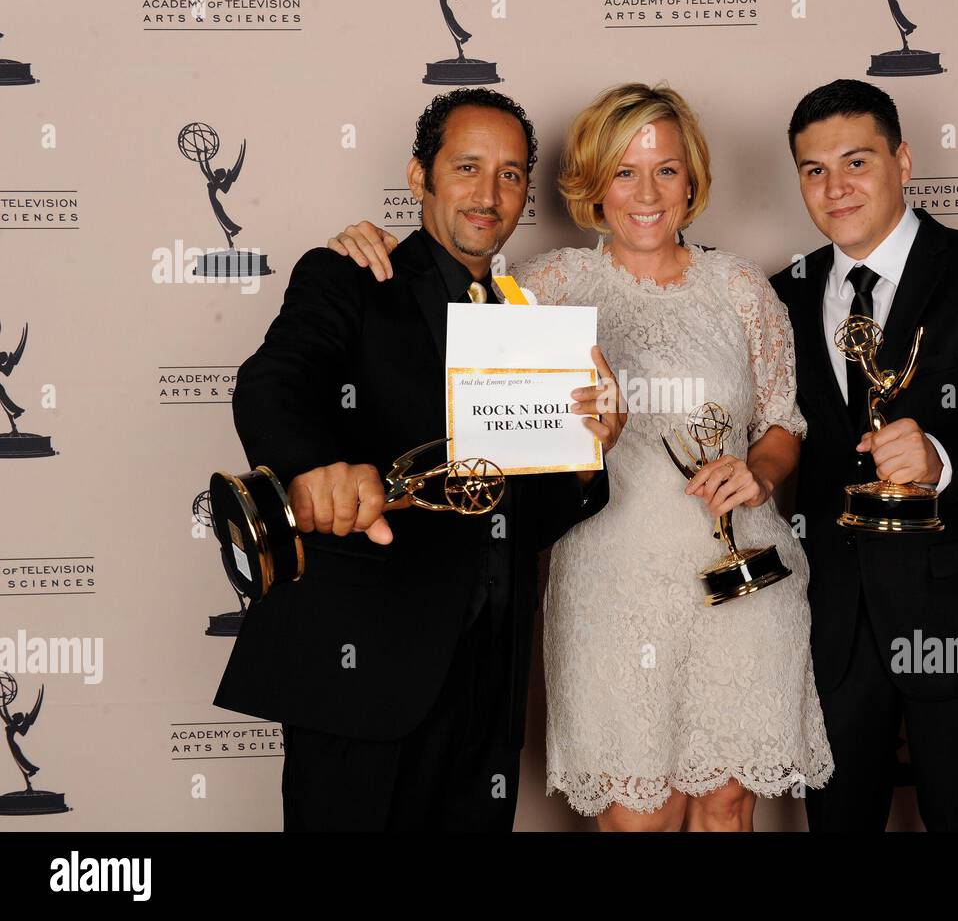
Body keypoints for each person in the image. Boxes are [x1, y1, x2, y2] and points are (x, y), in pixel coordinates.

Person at [330, 82, 833, 832]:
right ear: (593, 184)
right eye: (624, 171)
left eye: (666, 169)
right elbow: (434, 336)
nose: (646, 192)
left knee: (727, 809)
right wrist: (362, 247)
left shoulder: (741, 288)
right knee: (641, 817)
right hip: (610, 588)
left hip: (742, 581)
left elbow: (783, 422)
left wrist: (760, 470)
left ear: (692, 179)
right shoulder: (541, 287)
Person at [212, 88, 624, 832]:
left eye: (509, 173)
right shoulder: (348, 276)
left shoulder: (523, 322)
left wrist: (592, 449)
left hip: (487, 687)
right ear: (418, 177)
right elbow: (271, 383)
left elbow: (521, 517)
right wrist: (312, 469)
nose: (488, 193)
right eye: (467, 167)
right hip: (360, 670)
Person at [771, 78, 958, 831]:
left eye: (857, 162)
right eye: (813, 170)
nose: (836, 188)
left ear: (903, 161)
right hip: (832, 619)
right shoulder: (784, 295)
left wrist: (940, 456)